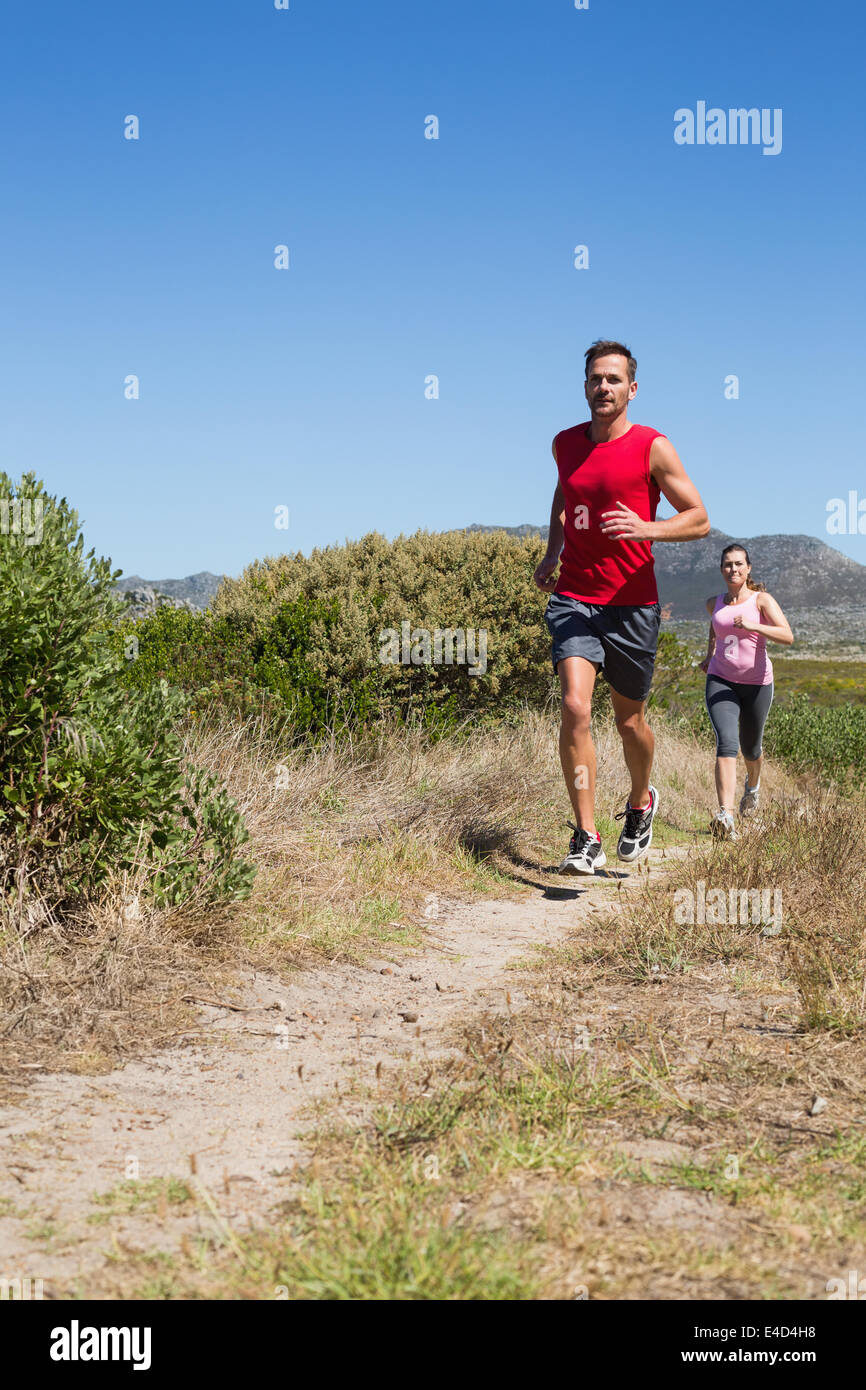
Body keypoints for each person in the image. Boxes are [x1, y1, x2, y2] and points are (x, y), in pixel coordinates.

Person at [533, 340, 710, 875]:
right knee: (574, 706)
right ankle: (586, 834)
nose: (602, 387)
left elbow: (699, 517)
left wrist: (647, 527)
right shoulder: (565, 444)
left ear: (631, 388)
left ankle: (640, 801)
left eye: (613, 379)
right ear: (584, 386)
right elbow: (565, 497)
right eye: (594, 379)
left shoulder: (653, 447)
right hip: (576, 598)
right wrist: (552, 553)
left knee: (629, 721)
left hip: (633, 602)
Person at [700, 543, 793, 838]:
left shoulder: (761, 600)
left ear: (748, 568)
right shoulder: (714, 602)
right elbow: (715, 626)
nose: (733, 569)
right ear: (721, 569)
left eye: (739, 564)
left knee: (751, 748)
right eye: (727, 564)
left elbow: (787, 636)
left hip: (757, 685)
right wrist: (709, 654)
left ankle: (752, 788)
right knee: (726, 742)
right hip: (721, 680)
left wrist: (754, 626)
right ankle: (725, 816)